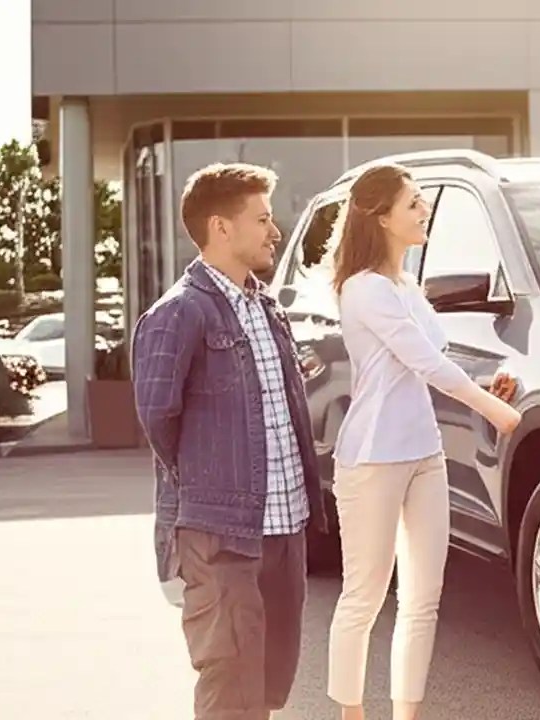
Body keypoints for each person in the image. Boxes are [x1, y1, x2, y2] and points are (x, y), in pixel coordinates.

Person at [325, 162, 522, 720]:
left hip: (424, 455)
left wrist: (487, 387)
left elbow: (428, 365)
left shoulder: (407, 286)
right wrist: (495, 410)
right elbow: (424, 362)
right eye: (413, 203)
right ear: (381, 217)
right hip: (372, 459)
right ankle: (352, 716)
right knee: (363, 598)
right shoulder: (363, 290)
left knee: (422, 601)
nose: (424, 210)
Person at [132, 162, 329, 719]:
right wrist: (210, 483)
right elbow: (157, 420)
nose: (276, 231)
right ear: (221, 227)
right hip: (221, 536)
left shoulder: (266, 307)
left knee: (268, 682)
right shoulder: (178, 313)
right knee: (230, 687)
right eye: (262, 219)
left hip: (284, 528)